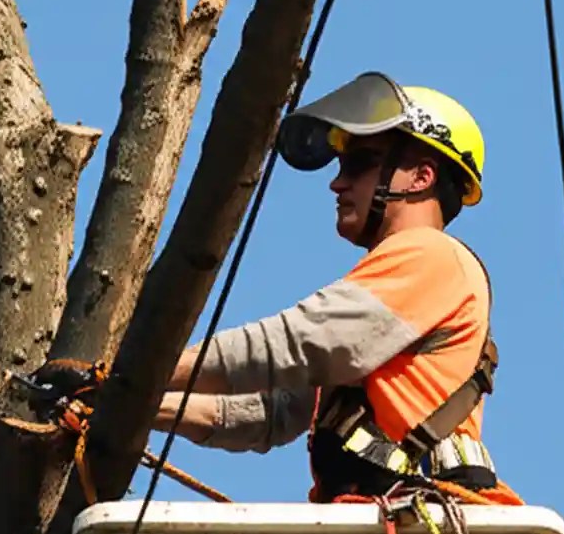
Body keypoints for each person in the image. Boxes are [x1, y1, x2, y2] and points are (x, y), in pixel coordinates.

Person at [151, 72, 505, 503]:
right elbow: (272, 412)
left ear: (421, 176)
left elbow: (298, 341)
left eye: (359, 164)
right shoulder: (395, 293)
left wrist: (137, 372)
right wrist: (134, 405)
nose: (337, 183)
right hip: (384, 518)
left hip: (415, 524)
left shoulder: (430, 255)